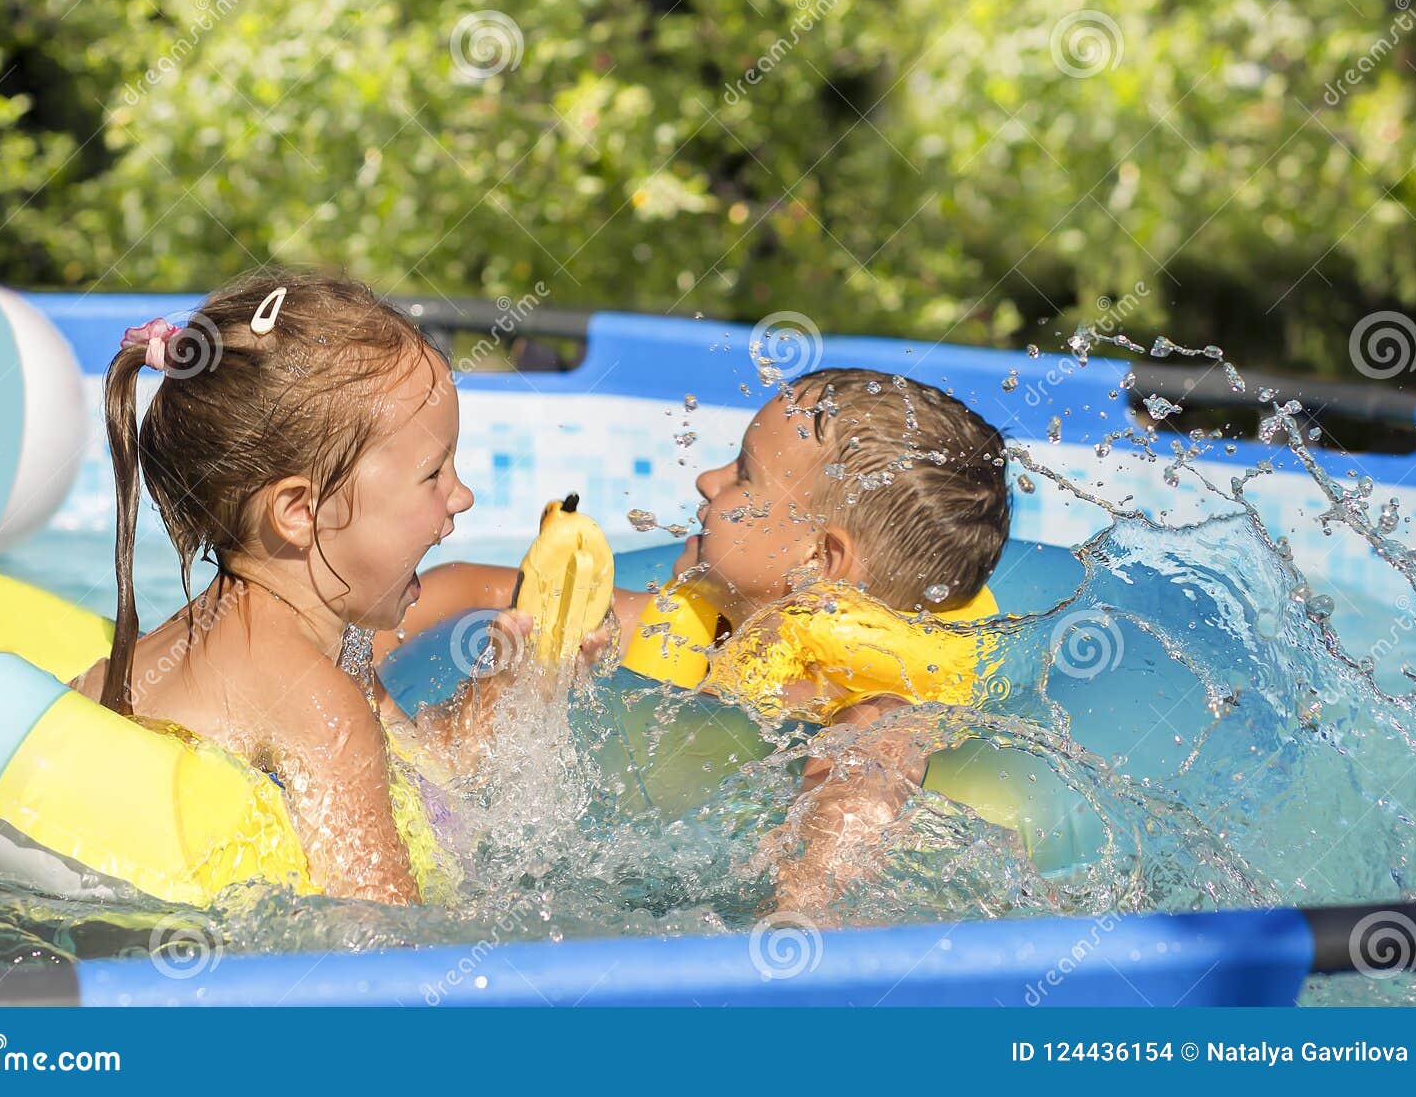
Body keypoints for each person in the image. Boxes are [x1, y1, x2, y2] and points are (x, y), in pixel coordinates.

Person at [70, 269, 599, 906]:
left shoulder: (281, 650)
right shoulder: (322, 709)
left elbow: (423, 763)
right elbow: (383, 936)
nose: (463, 496)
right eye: (433, 473)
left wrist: (514, 690)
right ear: (299, 510)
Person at [396, 368, 1011, 908]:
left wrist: (798, 913)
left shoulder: (872, 702)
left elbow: (872, 766)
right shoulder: (708, 623)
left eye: (744, 475)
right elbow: (466, 587)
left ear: (820, 558)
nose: (708, 480)